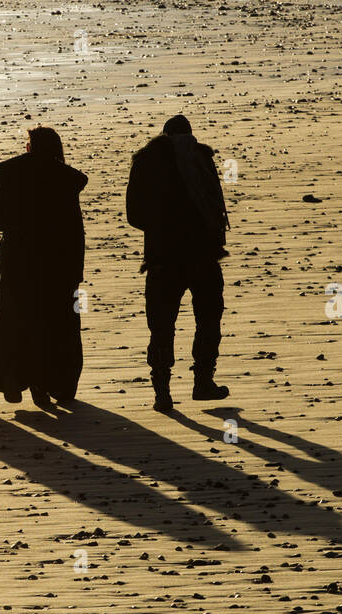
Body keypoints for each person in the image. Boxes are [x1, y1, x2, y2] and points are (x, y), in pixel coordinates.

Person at [126, 113, 231, 413]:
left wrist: (160, 228)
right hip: (204, 256)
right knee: (209, 319)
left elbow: (134, 215)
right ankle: (203, 383)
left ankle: (162, 391)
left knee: (161, 326)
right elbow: (215, 205)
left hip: (163, 259)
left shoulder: (144, 161)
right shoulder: (201, 156)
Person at [0, 126, 87, 410]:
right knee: (54, 324)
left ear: (30, 146)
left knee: (13, 319)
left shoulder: (10, 173)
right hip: (57, 262)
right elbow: (74, 229)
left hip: (17, 259)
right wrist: (76, 271)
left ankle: (13, 378)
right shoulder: (64, 178)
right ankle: (47, 384)